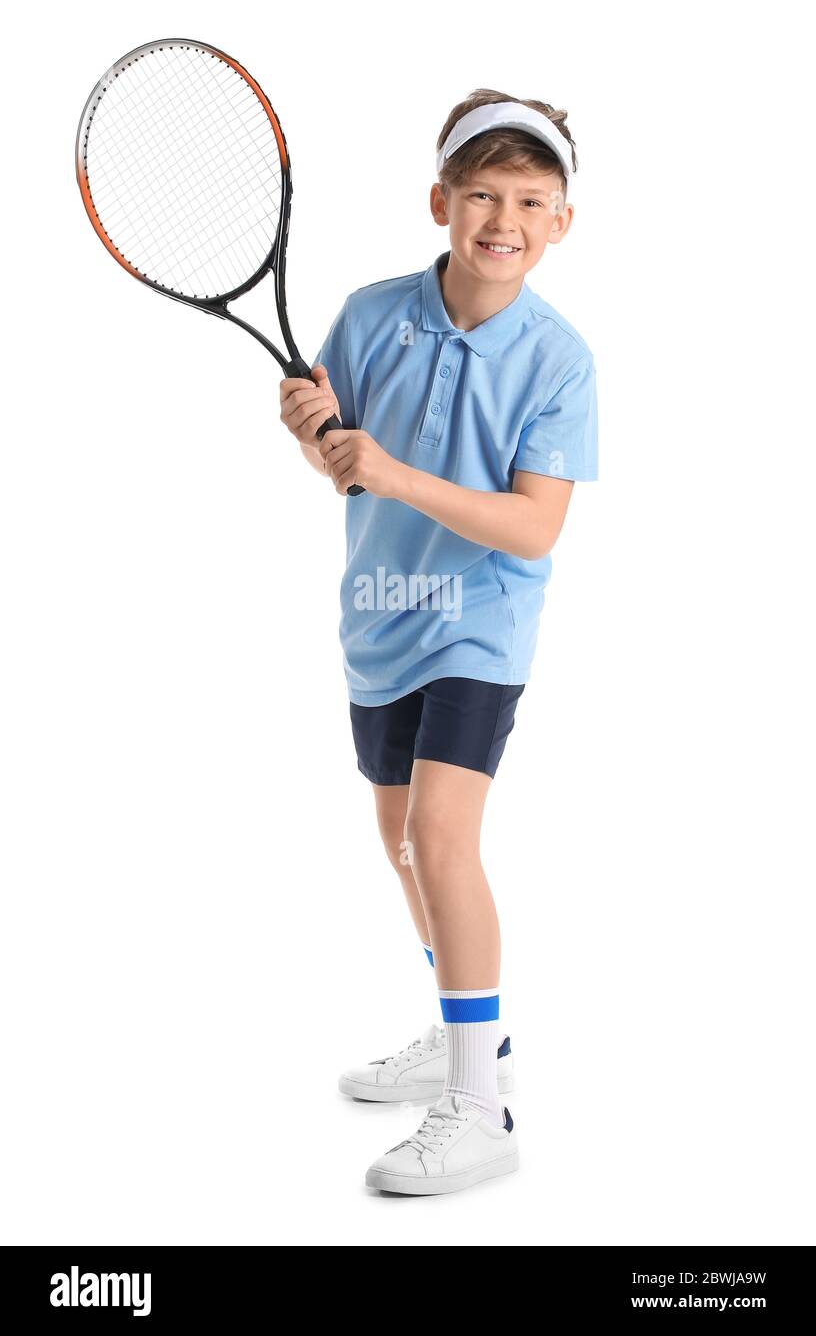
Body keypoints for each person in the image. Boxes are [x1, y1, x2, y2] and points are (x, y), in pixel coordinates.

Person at [279, 89, 599, 1196]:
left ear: (561, 221)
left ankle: (481, 1105)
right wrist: (317, 437)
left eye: (529, 200)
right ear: (440, 203)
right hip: (380, 608)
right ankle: (469, 1028)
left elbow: (535, 522)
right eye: (481, 195)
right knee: (401, 837)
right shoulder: (369, 317)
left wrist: (392, 471)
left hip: (482, 624)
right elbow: (341, 453)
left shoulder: (560, 360)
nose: (502, 219)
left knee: (441, 831)